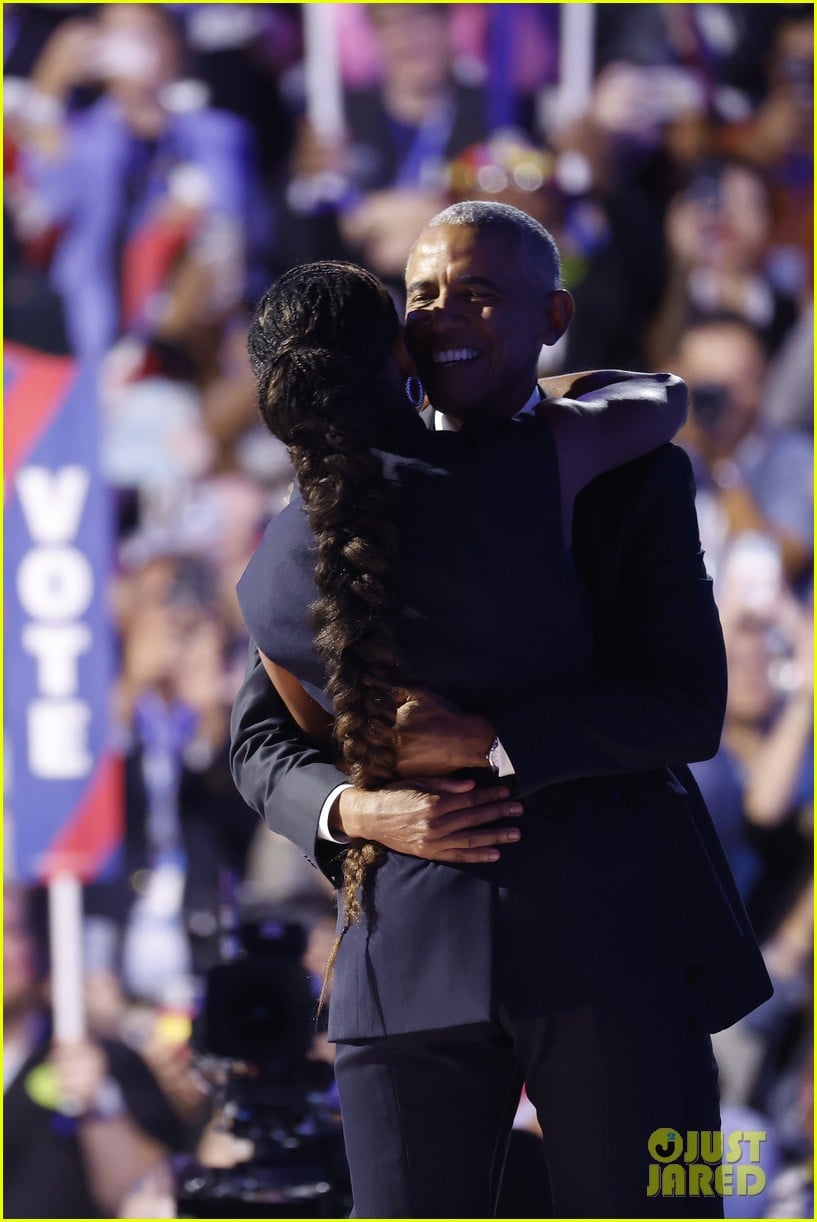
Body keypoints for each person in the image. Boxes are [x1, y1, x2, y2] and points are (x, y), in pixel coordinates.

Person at [230, 202, 772, 1218]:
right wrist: (357, 810)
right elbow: (257, 745)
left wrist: (498, 743)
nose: (444, 315)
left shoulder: (635, 480)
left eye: (476, 292)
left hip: (610, 943)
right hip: (405, 949)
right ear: (393, 336)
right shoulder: (319, 515)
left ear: (552, 314)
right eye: (425, 294)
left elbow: (688, 706)